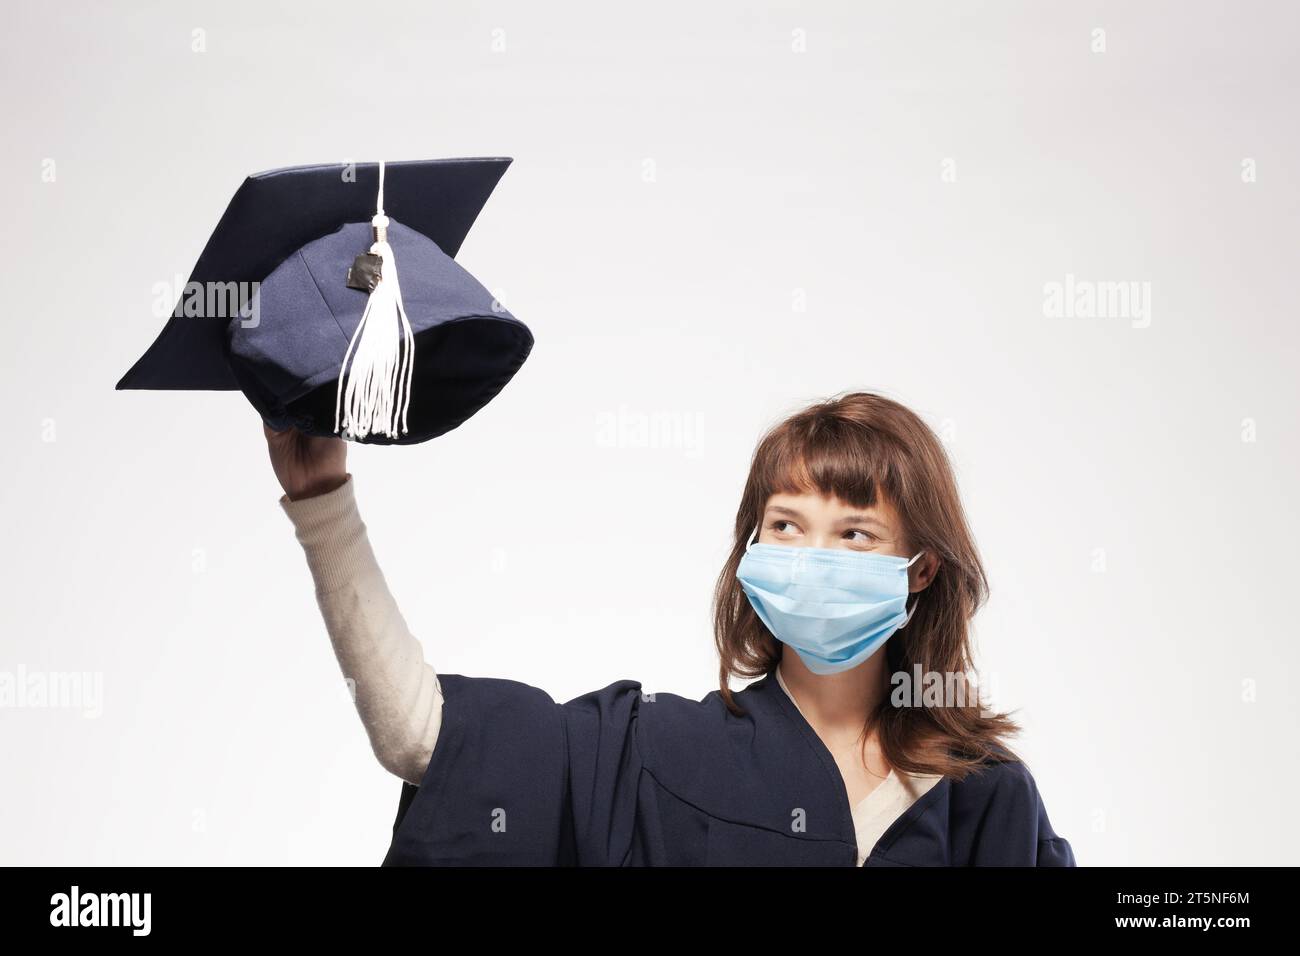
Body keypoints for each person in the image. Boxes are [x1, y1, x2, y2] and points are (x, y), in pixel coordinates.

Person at [268, 390, 1077, 866]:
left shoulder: (981, 796)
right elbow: (425, 740)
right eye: (786, 526)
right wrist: (324, 501)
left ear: (922, 569)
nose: (811, 556)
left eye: (855, 534)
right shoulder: (653, 755)